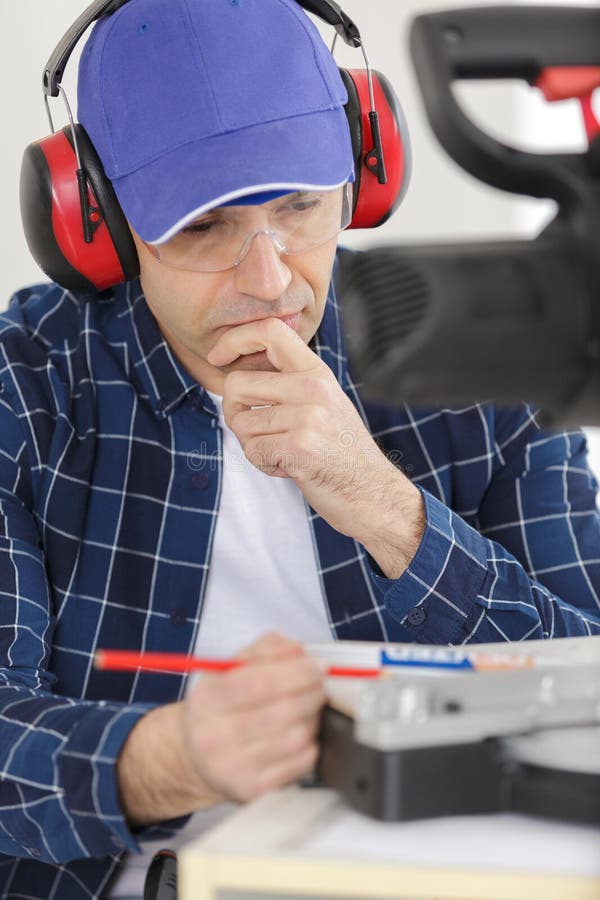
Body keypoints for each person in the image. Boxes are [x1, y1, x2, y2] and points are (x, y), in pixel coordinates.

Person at [1, 0, 600, 896]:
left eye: (299, 205)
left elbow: (591, 691)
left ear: (365, 172)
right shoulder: (26, 386)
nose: (271, 280)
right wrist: (174, 756)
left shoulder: (479, 354)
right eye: (204, 228)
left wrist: (387, 509)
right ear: (102, 223)